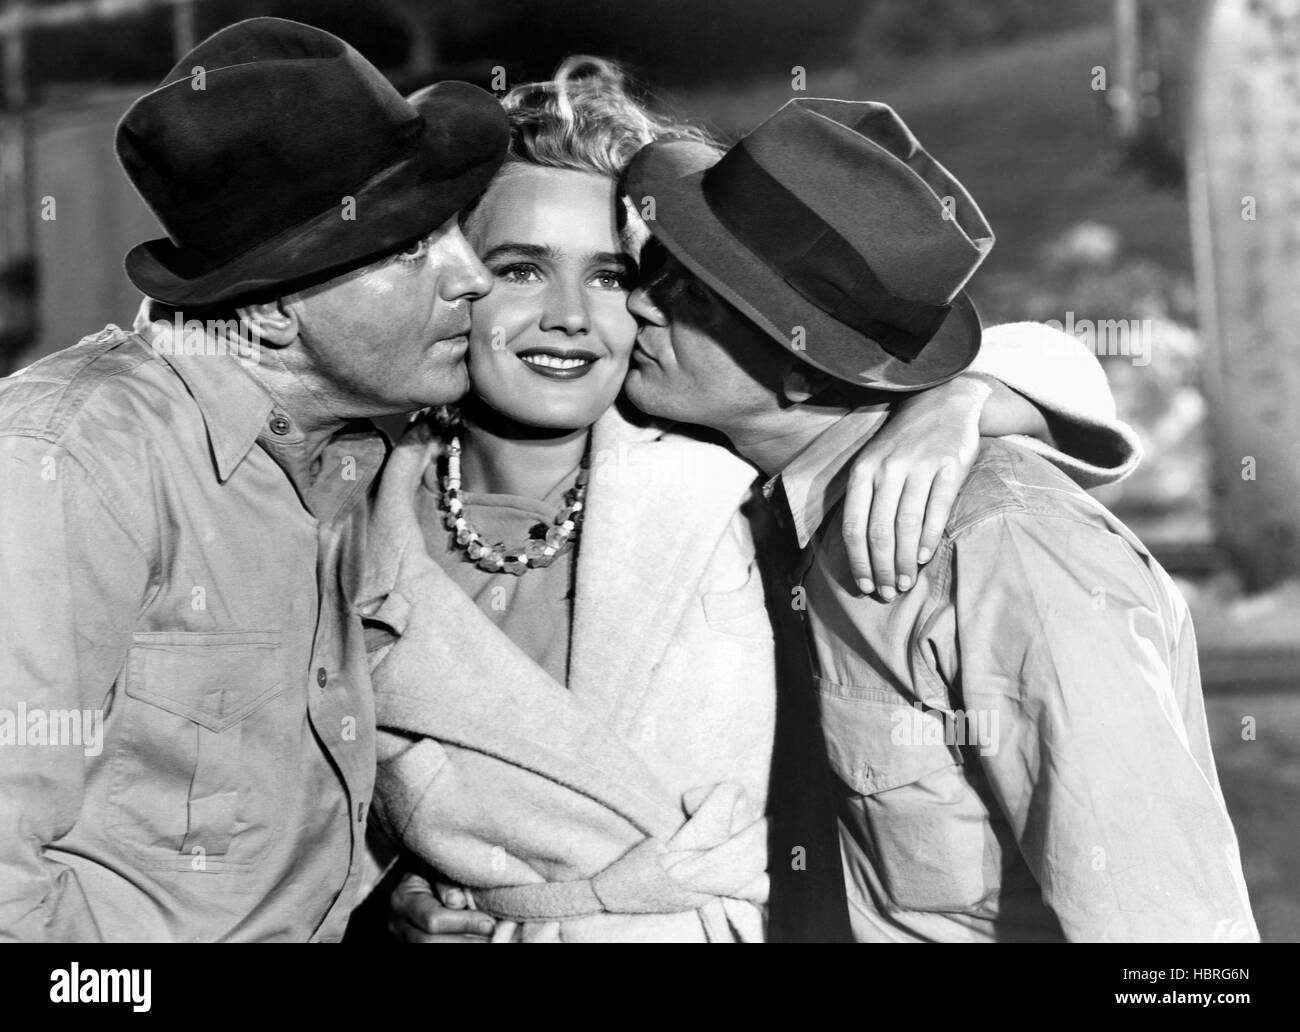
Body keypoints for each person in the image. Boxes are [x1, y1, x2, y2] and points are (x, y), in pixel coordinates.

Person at [368, 62, 1140, 943]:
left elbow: (994, 360)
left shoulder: (726, 463)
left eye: (617, 275)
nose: (573, 316)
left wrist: (964, 396)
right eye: (520, 268)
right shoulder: (360, 516)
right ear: (455, 276)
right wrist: (397, 894)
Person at [619, 96, 1258, 941]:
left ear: (804, 370)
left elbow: (1168, 937)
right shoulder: (755, 502)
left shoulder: (1005, 548)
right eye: (656, 267)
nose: (640, 305)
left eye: (693, 296)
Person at [0, 18, 510, 941]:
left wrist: (379, 899)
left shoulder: (345, 462)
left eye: (455, 236)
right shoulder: (68, 462)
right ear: (274, 316)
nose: (472, 277)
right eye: (409, 250)